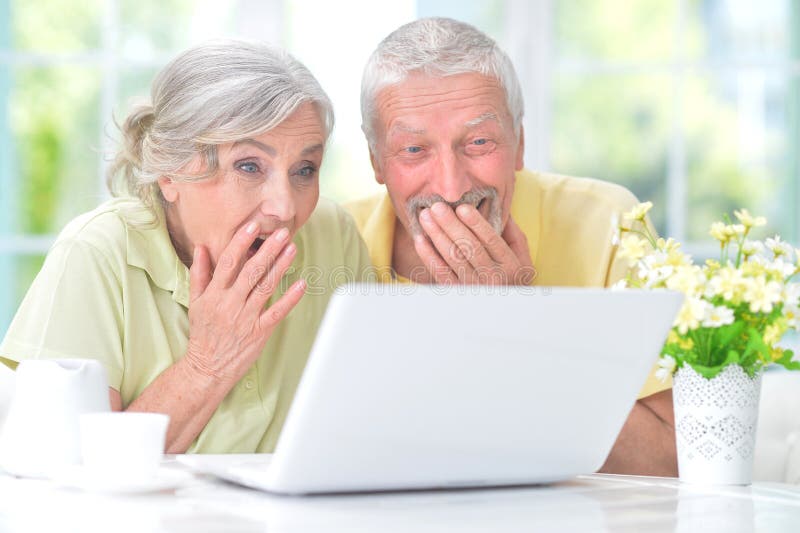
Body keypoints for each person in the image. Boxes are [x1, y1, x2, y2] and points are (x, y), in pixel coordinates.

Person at [0, 41, 370, 454]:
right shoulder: (97, 253)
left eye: (305, 170)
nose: (285, 207)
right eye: (249, 166)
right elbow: (66, 479)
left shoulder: (332, 235)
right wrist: (206, 364)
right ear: (170, 173)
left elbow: (374, 422)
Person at [346, 18, 677, 476]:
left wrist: (515, 329)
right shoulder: (333, 242)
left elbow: (668, 458)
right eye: (414, 150)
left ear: (519, 143)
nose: (449, 186)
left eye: (479, 142)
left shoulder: (608, 224)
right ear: (376, 162)